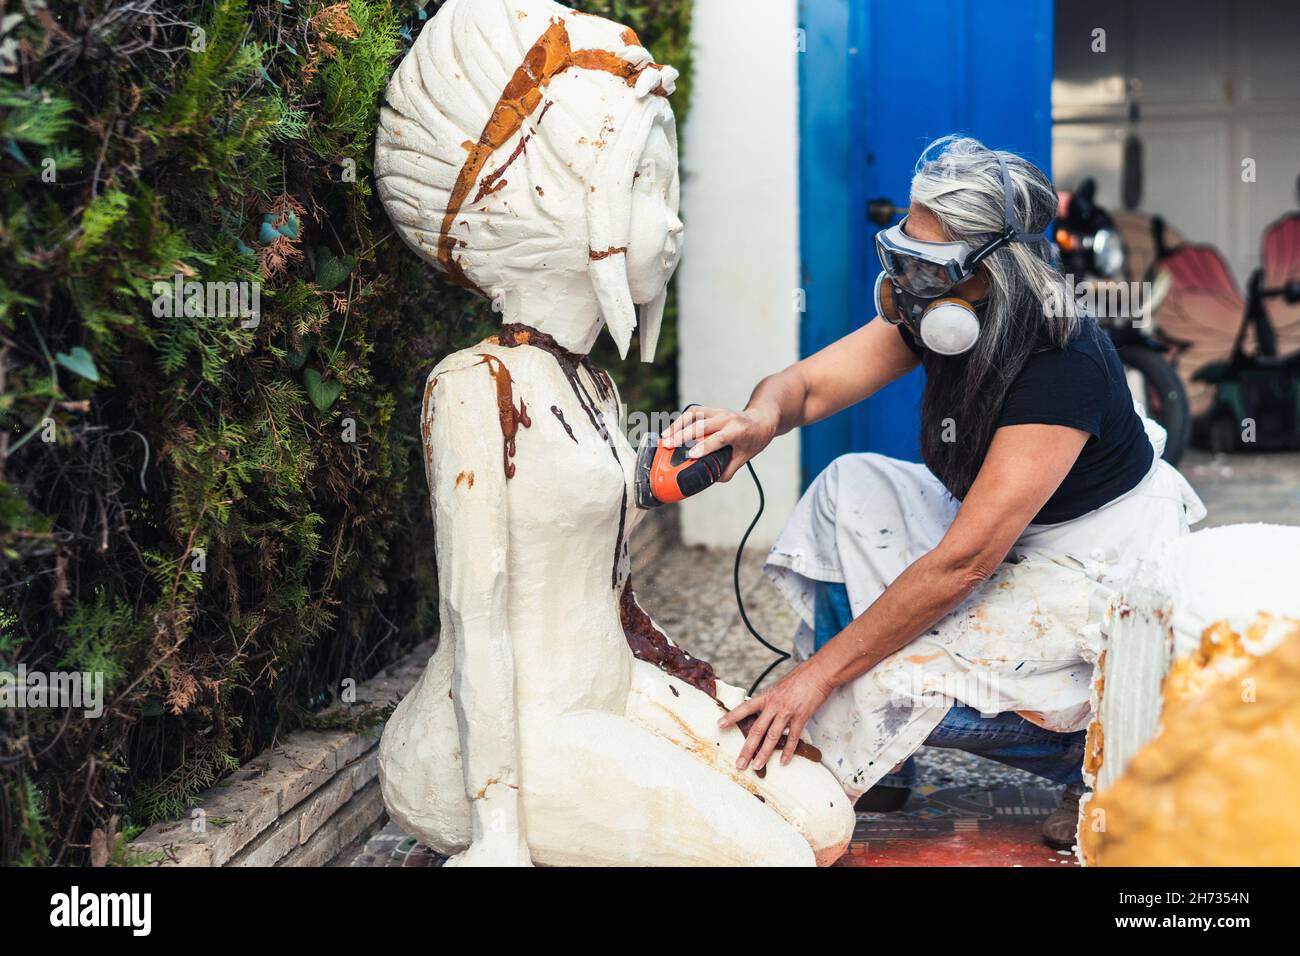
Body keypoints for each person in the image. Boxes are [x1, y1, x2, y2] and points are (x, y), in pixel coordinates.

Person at [660, 135, 1205, 849]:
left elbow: (963, 564)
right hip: (999, 518)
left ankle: (1103, 751)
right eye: (903, 250)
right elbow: (809, 385)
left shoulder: (1058, 360)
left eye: (927, 262)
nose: (905, 275)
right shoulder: (941, 312)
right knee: (845, 487)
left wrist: (817, 678)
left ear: (992, 268)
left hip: (1091, 549)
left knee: (896, 682)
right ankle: (868, 754)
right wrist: (759, 420)